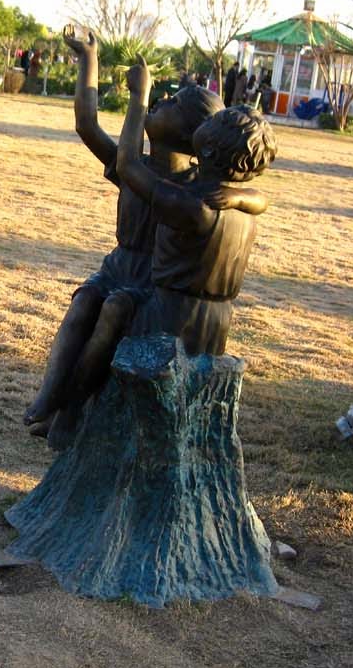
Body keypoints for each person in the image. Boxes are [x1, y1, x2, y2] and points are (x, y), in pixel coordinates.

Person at [23, 26, 222, 435]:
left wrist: (139, 97)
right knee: (83, 304)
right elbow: (86, 124)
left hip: (152, 283)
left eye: (173, 104)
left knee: (112, 311)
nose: (162, 102)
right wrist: (88, 59)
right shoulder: (138, 168)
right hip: (118, 266)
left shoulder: (184, 188)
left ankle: (72, 409)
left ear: (189, 134)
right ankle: (51, 394)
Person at [117, 58, 278, 356]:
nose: (207, 120)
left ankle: (73, 394)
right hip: (216, 324)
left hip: (170, 319)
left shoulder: (191, 205)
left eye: (212, 122)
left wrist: (139, 95)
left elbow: (127, 165)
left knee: (114, 308)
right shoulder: (241, 210)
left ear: (205, 148)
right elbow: (261, 200)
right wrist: (242, 196)